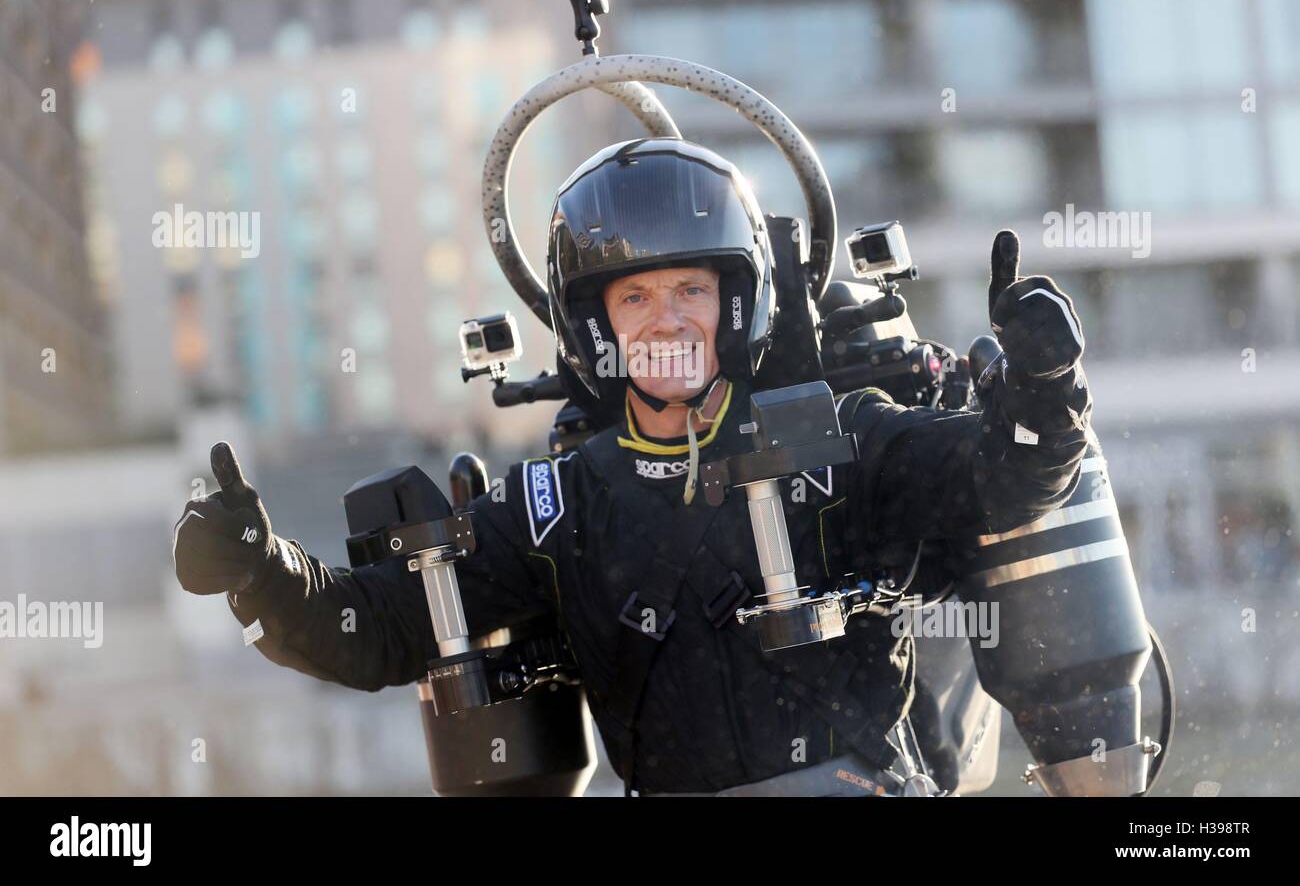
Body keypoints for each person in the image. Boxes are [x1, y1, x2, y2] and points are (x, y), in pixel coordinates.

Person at [174, 138, 1093, 796]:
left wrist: (1045, 389)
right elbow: (377, 631)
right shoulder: (557, 507)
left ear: (736, 303)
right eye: (637, 296)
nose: (667, 321)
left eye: (691, 289)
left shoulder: (849, 438)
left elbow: (1006, 481)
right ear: (593, 324)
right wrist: (259, 571)